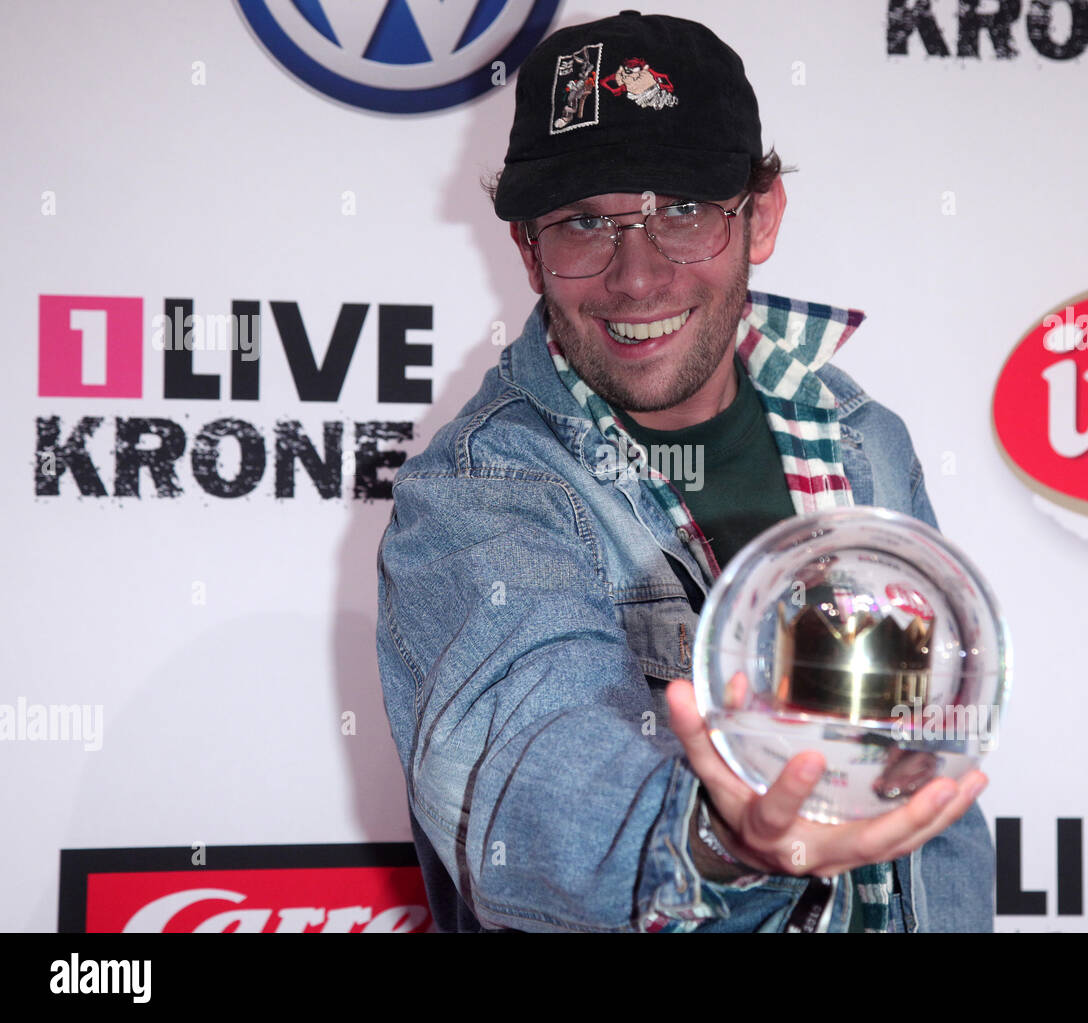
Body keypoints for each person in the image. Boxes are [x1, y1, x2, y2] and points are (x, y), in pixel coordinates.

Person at [376, 9, 994, 933]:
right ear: (528, 250)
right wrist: (720, 842)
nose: (637, 275)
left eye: (683, 211)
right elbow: (528, 782)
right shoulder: (477, 492)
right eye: (587, 222)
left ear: (764, 215)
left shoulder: (864, 439)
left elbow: (935, 800)